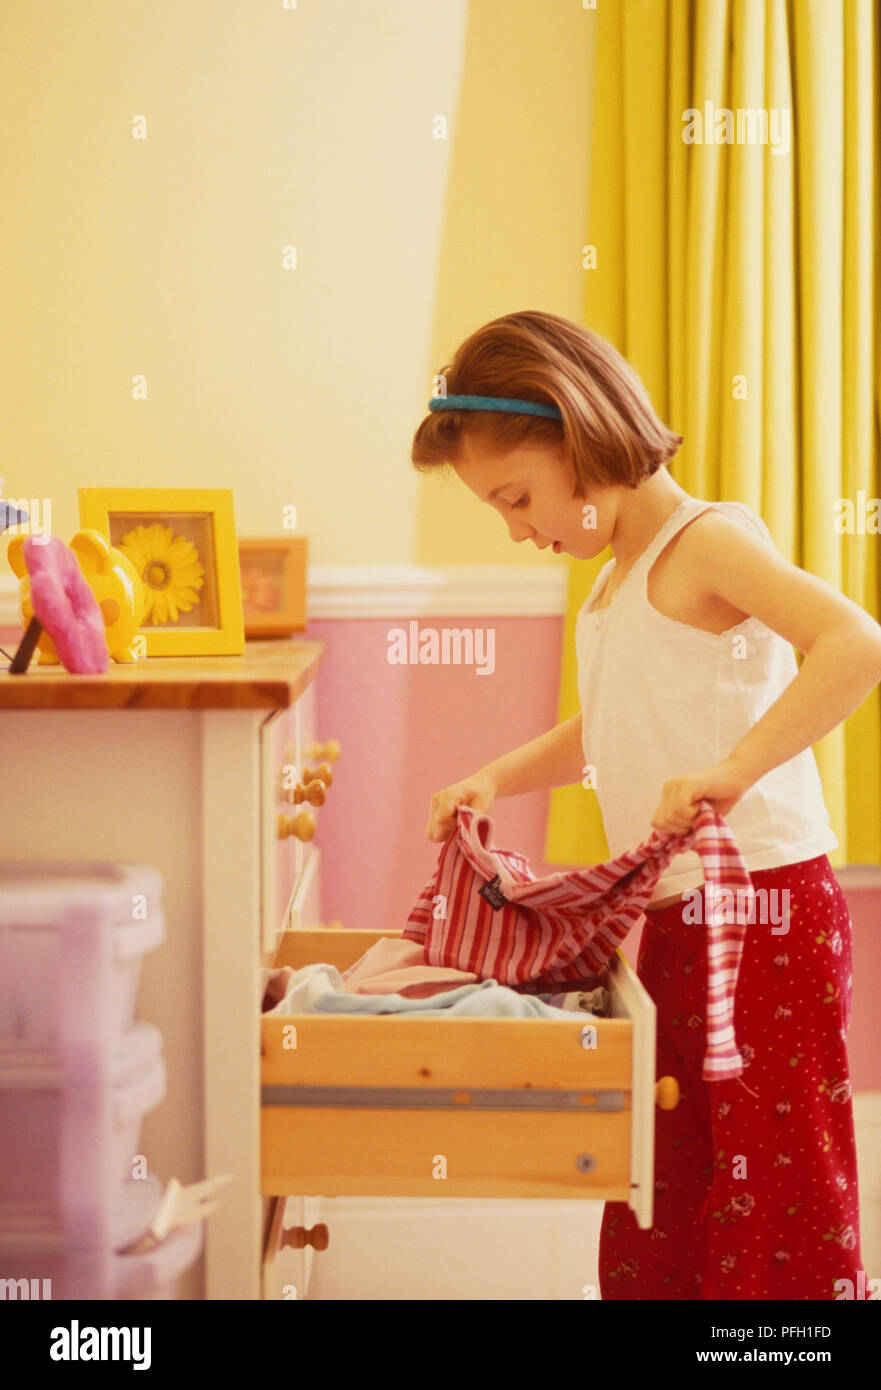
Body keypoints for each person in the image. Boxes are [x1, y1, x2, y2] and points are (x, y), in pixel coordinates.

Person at [410, 309, 881, 1300]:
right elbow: (611, 720)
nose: (518, 527)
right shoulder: (615, 583)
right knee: (662, 1172)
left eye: (517, 497)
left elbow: (851, 641)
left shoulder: (703, 542)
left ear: (577, 434)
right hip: (672, 919)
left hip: (760, 914)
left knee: (775, 1177)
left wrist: (734, 769)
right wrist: (495, 776)